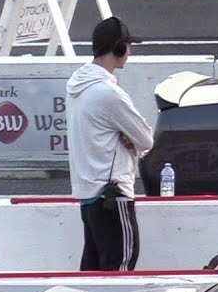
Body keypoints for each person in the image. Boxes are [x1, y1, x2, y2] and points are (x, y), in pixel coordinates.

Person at [66, 15, 154, 270]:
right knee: (120, 272)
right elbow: (146, 139)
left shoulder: (76, 87)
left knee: (94, 276)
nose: (130, 51)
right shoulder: (109, 93)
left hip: (90, 197)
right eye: (128, 45)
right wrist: (127, 139)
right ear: (118, 48)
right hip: (113, 196)